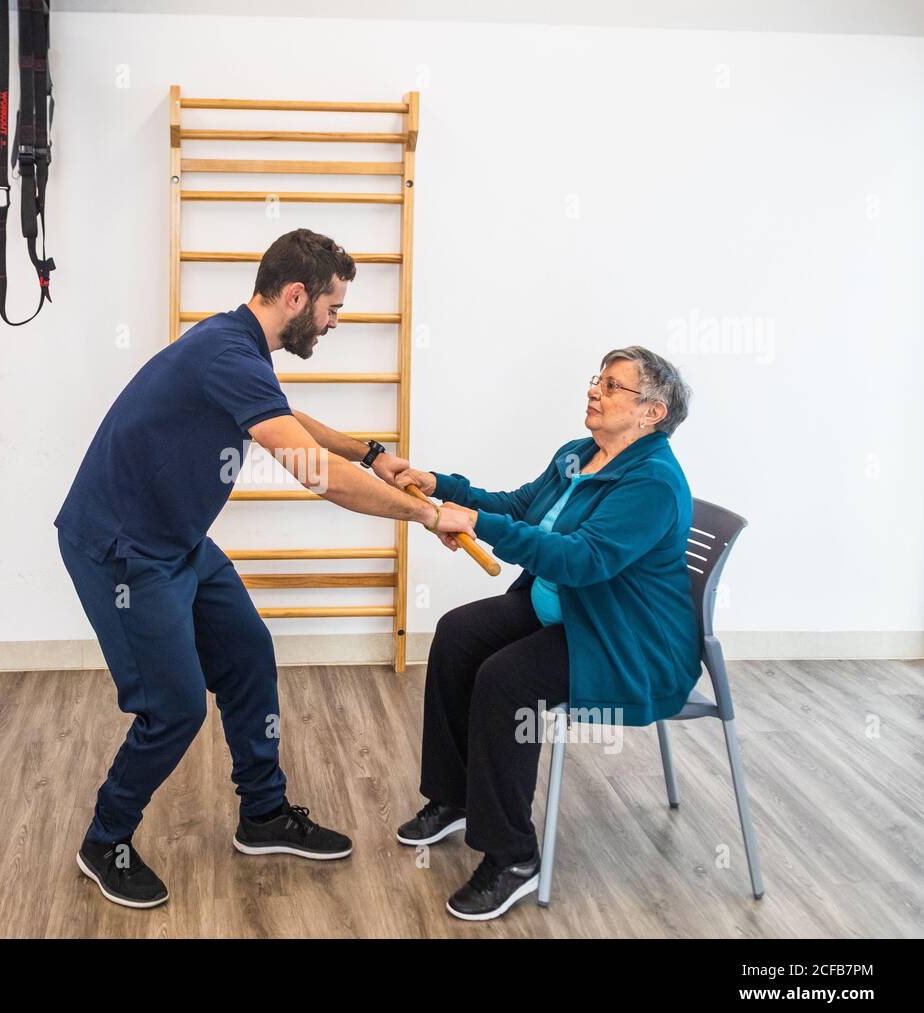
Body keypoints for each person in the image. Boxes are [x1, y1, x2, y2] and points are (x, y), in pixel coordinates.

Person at [55, 228, 475, 908]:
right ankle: (106, 840)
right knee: (175, 706)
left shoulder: (238, 347)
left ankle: (264, 814)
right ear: (295, 295)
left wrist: (372, 453)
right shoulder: (226, 347)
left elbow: (288, 417)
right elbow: (315, 476)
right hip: (122, 550)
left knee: (248, 652)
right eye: (333, 308)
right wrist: (428, 517)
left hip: (178, 540)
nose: (335, 322)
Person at [393, 347, 700, 921]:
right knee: (457, 632)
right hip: (564, 610)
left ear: (651, 412)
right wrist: (439, 485)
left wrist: (478, 524)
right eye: (598, 380)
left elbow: (582, 560)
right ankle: (455, 797)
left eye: (612, 386)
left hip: (621, 638)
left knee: (505, 681)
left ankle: (512, 857)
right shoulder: (580, 453)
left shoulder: (652, 482)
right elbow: (521, 507)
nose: (594, 392)